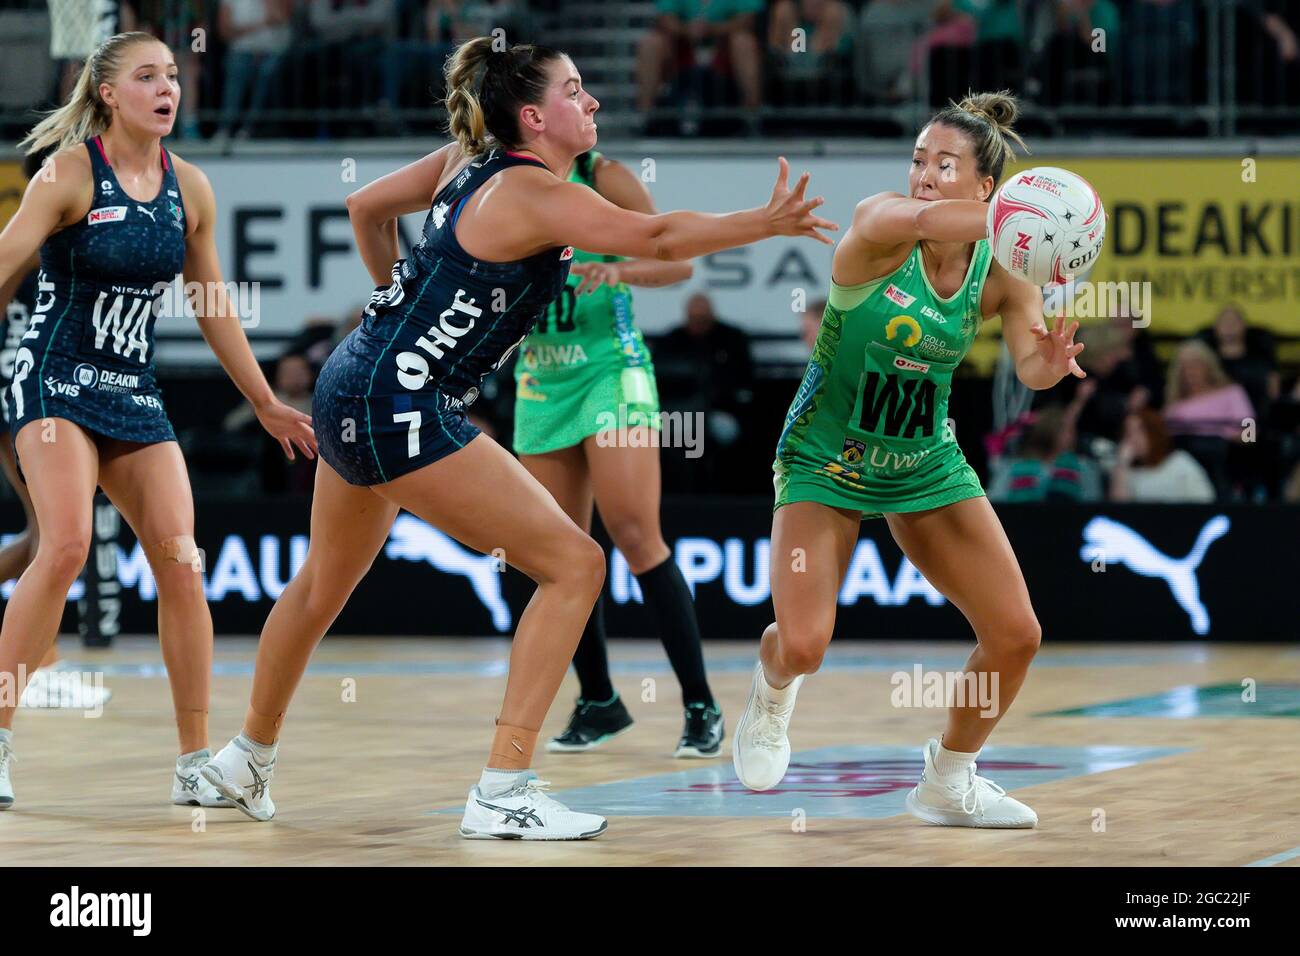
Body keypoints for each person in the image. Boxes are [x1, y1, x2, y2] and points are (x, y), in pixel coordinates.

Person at [199, 37, 835, 840]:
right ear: (535, 117)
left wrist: (396, 303)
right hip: (400, 401)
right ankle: (504, 786)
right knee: (578, 564)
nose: (593, 102)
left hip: (348, 378)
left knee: (325, 581)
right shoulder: (532, 192)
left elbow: (365, 210)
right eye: (576, 90)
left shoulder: (463, 160)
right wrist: (765, 221)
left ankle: (245, 758)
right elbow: (664, 239)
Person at [733, 92, 1087, 829]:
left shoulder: (1000, 269)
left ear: (984, 185)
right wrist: (1027, 215)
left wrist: (1050, 362)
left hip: (924, 461)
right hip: (824, 459)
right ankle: (770, 694)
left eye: (944, 164)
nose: (924, 175)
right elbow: (926, 220)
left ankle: (948, 781)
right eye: (919, 159)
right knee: (803, 645)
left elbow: (1029, 366)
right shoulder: (881, 224)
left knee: (1017, 634)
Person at [0, 31, 315, 811]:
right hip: (53, 378)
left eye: (172, 75)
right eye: (146, 76)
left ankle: (194, 764)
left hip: (132, 392)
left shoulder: (191, 188)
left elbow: (212, 307)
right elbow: (5, 263)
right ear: (109, 93)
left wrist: (263, 399)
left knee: (181, 561)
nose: (166, 87)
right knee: (68, 544)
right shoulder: (70, 173)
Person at [511, 150, 721, 758]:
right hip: (539, 380)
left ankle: (700, 704)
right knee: (559, 551)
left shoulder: (603, 176)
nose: (584, 104)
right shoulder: (502, 180)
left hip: (611, 369)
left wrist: (619, 273)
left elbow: (676, 264)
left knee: (634, 534)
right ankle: (599, 700)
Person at [1108, 408, 1215, 502]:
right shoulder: (1124, 471)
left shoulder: (1180, 462)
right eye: (1128, 433)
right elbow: (1119, 510)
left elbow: (1204, 501)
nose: (1133, 439)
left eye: (1139, 431)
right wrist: (1122, 464)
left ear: (1154, 432)